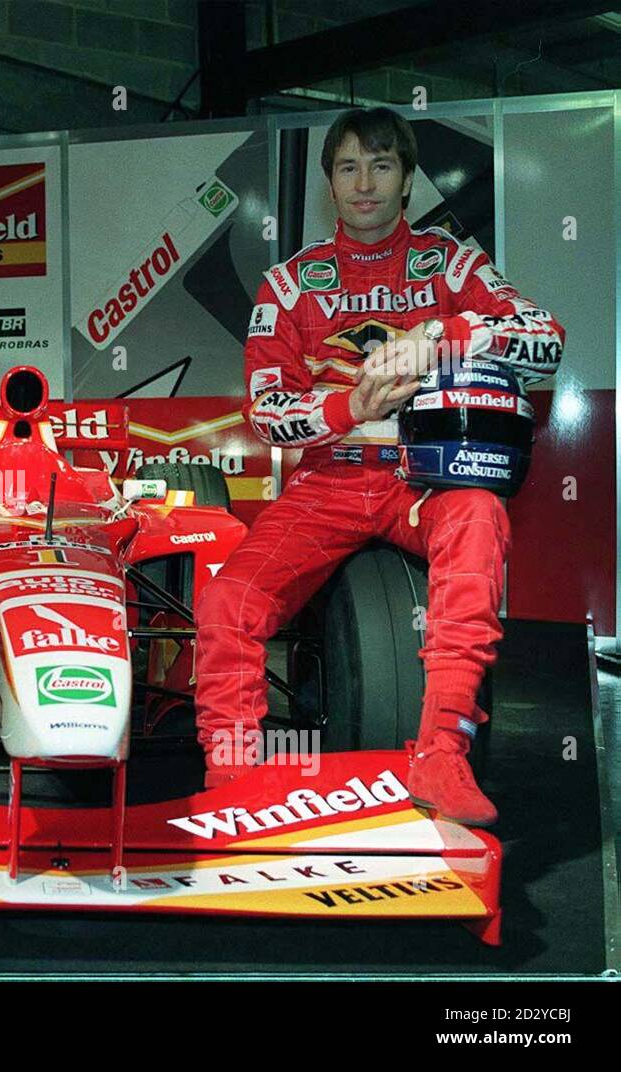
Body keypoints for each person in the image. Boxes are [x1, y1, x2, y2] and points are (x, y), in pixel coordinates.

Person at [192, 107, 563, 825]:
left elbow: (544, 339)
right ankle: (231, 779)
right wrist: (348, 406)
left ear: (407, 182)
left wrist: (447, 338)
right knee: (226, 604)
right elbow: (268, 412)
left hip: (424, 474)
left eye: (382, 165)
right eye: (348, 167)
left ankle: (442, 756)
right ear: (330, 182)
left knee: (481, 519)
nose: (364, 183)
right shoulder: (289, 284)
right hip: (329, 479)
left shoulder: (450, 263)